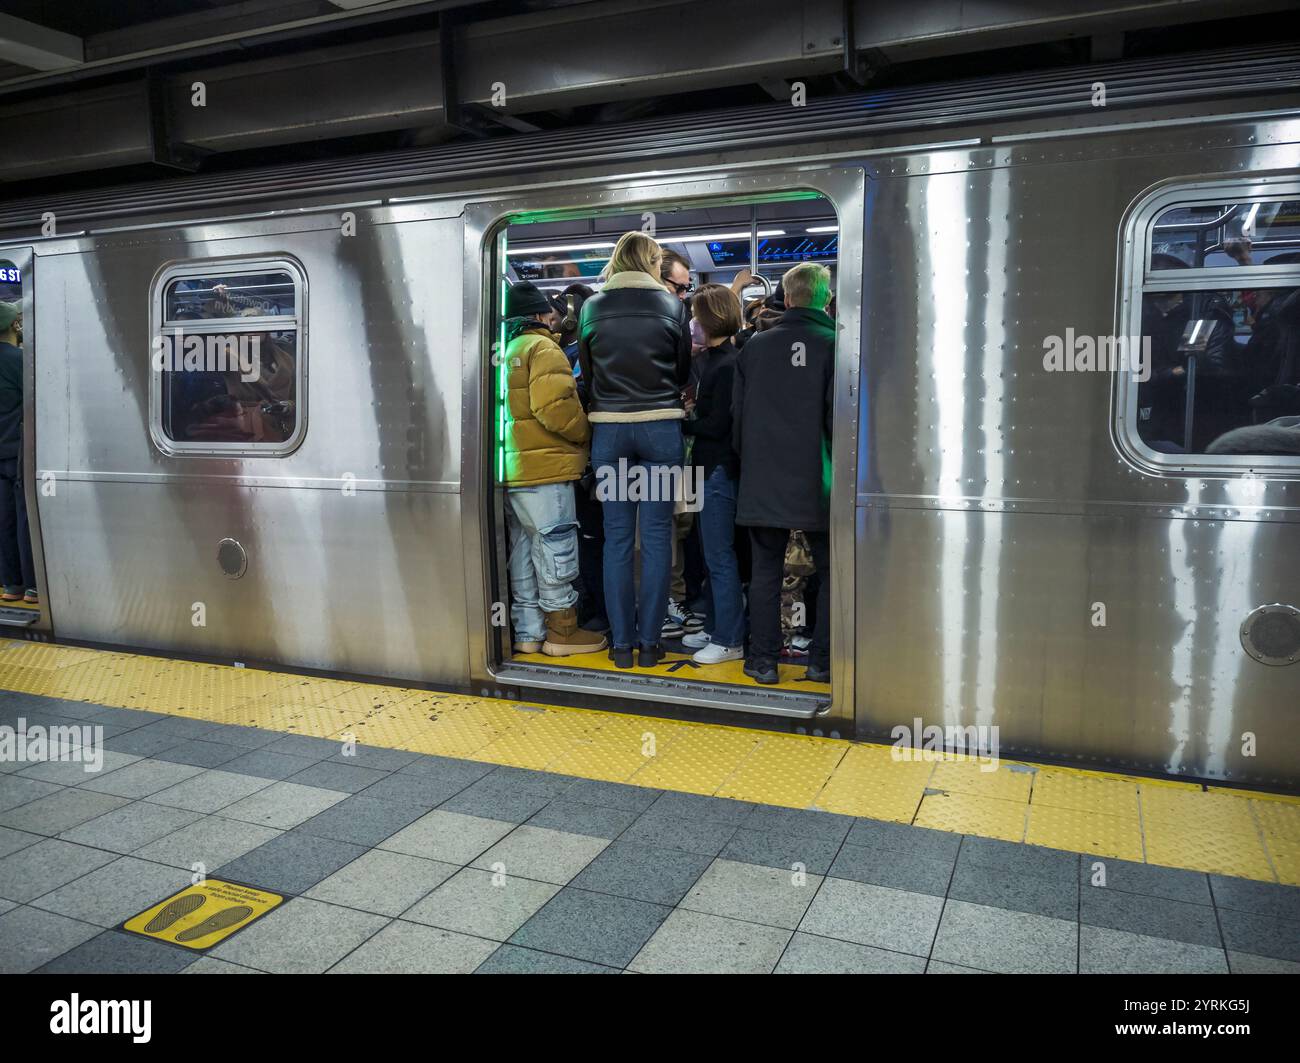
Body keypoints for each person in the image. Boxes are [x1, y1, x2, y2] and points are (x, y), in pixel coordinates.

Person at [579, 232, 690, 668]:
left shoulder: (590, 307)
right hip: (661, 431)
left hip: (609, 433)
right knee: (659, 537)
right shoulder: (671, 306)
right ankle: (651, 645)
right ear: (651, 263)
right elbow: (683, 370)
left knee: (617, 539)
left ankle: (621, 646)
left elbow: (586, 373)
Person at [733, 262, 835, 684]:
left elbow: (737, 421)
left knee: (765, 572)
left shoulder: (754, 346)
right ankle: (822, 662)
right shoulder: (837, 345)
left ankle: (763, 661)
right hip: (819, 478)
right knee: (832, 572)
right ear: (826, 299)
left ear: (787, 298)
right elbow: (839, 420)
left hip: (763, 478)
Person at [501, 281, 607, 658]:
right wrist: (584, 434)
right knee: (556, 548)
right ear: (538, 316)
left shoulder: (505, 349)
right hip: (547, 468)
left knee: (523, 554)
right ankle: (562, 632)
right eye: (549, 312)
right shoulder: (543, 347)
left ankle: (528, 633)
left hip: (514, 468)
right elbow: (555, 408)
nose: (554, 317)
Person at [681, 285, 745, 664]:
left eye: (696, 317)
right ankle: (717, 625)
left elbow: (718, 424)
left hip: (717, 469)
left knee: (719, 556)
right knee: (711, 554)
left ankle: (729, 638)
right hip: (712, 469)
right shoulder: (721, 360)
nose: (692, 325)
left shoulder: (723, 366)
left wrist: (685, 421)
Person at [0, 301, 36, 604]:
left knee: (3, 518)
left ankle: (11, 585)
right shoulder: (19, 360)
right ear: (14, 326)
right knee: (26, 515)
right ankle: (33, 586)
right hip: (18, 452)